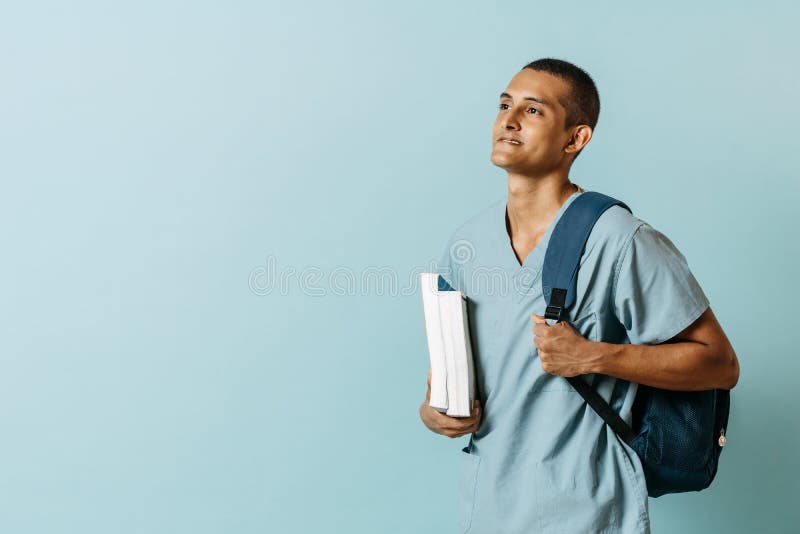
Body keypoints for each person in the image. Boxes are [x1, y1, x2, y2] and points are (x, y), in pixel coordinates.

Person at [418, 58, 739, 534]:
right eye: (504, 104)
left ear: (575, 139)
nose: (507, 120)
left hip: (588, 511)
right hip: (485, 509)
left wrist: (592, 356)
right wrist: (435, 412)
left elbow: (719, 364)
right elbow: (448, 378)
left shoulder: (619, 239)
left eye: (532, 111)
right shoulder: (466, 245)